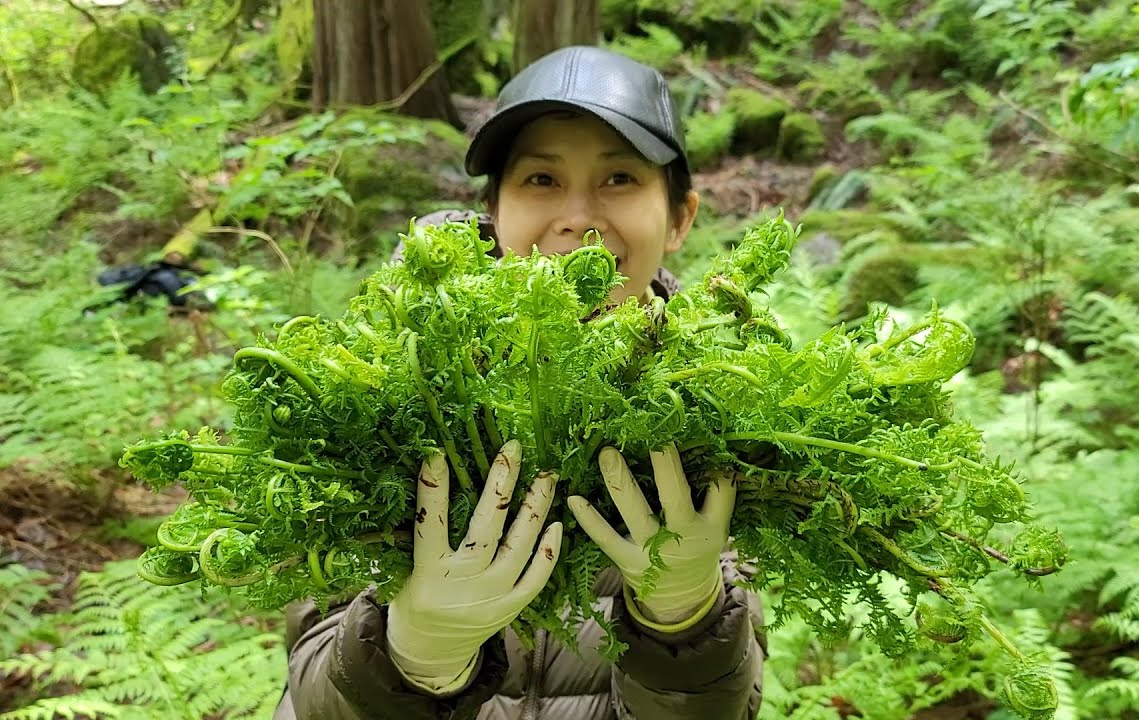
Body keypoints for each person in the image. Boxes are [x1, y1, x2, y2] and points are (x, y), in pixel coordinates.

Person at [272, 46, 768, 720]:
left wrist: (687, 624)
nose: (578, 217)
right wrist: (411, 658)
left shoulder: (719, 411)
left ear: (681, 218)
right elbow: (313, 696)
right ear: (494, 210)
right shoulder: (388, 385)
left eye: (620, 177)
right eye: (541, 179)